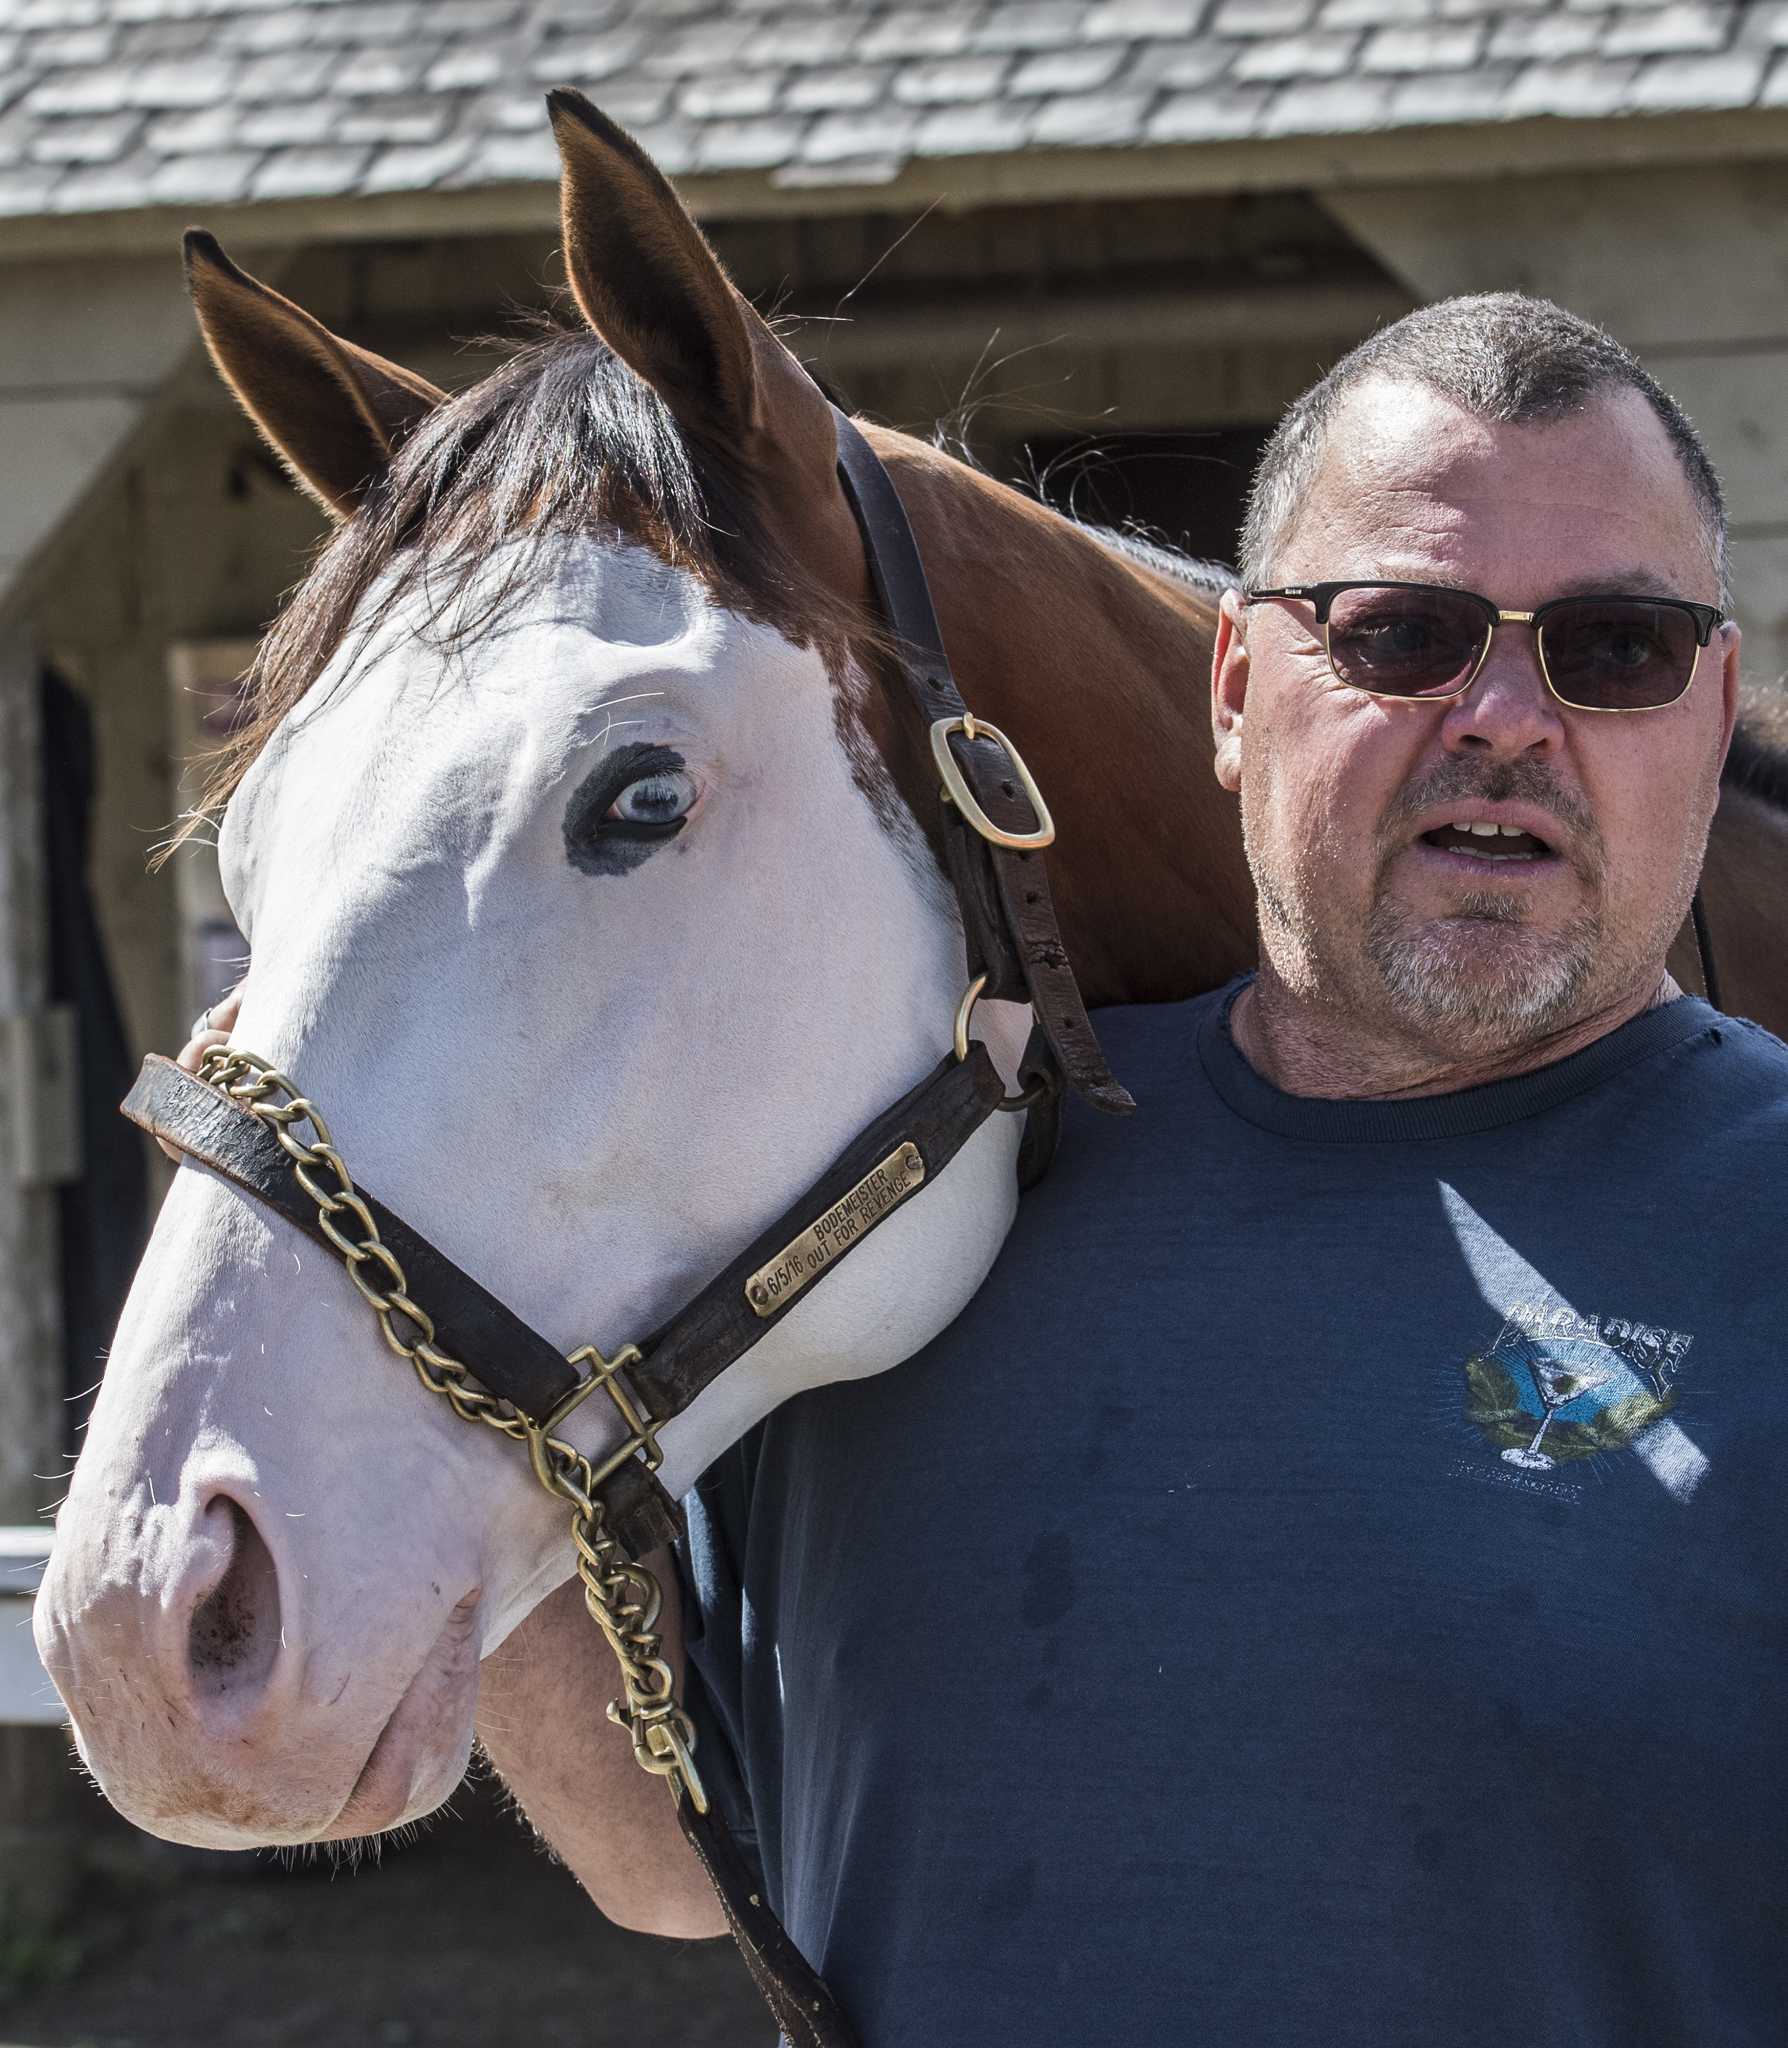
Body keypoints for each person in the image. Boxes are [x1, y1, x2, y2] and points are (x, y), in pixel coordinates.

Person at [186, 293, 1788, 2043]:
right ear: (1238, 691)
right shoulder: (933, 1201)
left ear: (1711, 709)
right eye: (1402, 634)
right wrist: (432, 1331)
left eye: (1617, 648)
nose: (1506, 716)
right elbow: (671, 1855)